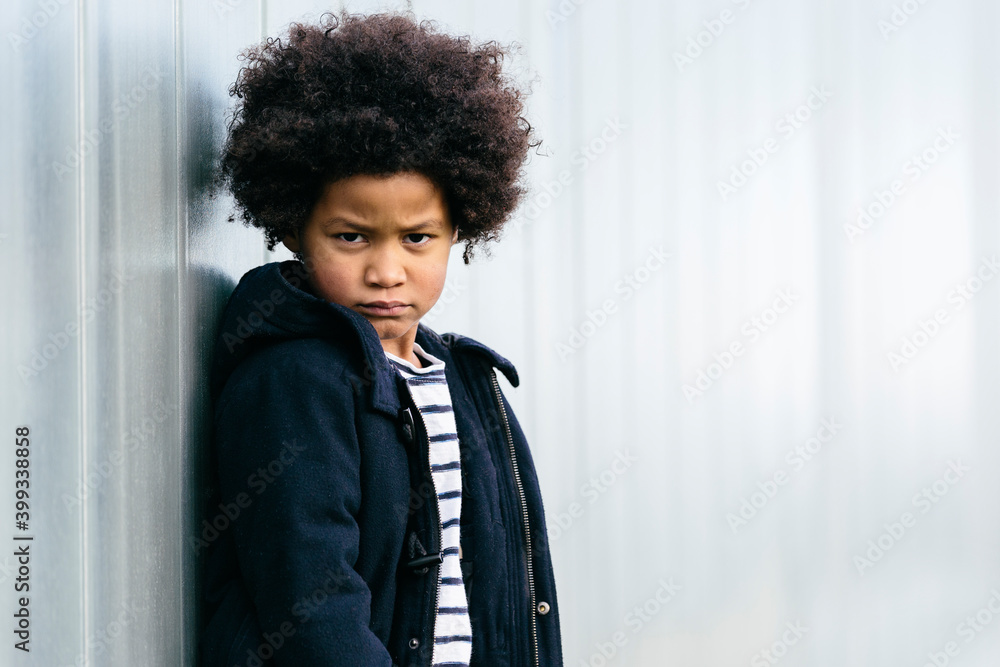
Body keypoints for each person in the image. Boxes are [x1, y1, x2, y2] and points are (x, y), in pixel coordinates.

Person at [197, 9, 563, 667]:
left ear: (462, 229)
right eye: (351, 237)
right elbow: (313, 601)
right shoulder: (295, 379)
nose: (386, 271)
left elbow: (496, 577)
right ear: (294, 230)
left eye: (416, 237)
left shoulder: (461, 379)